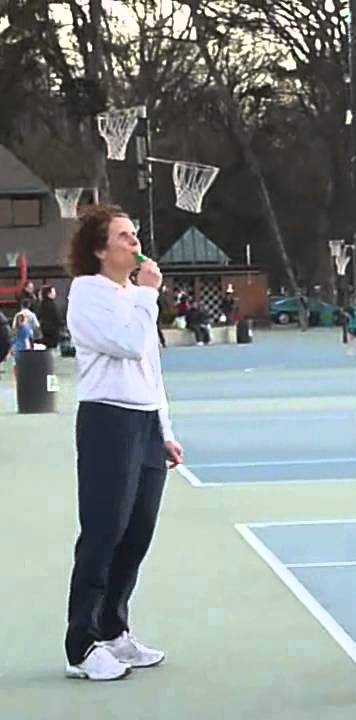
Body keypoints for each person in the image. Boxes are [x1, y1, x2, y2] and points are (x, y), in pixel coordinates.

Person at [63, 205, 184, 681]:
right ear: (100, 249)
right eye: (124, 237)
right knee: (103, 532)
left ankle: (113, 630)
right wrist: (149, 296)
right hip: (107, 421)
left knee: (137, 533)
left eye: (135, 235)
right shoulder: (87, 294)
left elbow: (149, 369)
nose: (135, 243)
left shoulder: (135, 295)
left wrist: (165, 431)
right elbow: (128, 344)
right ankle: (81, 643)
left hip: (144, 424)